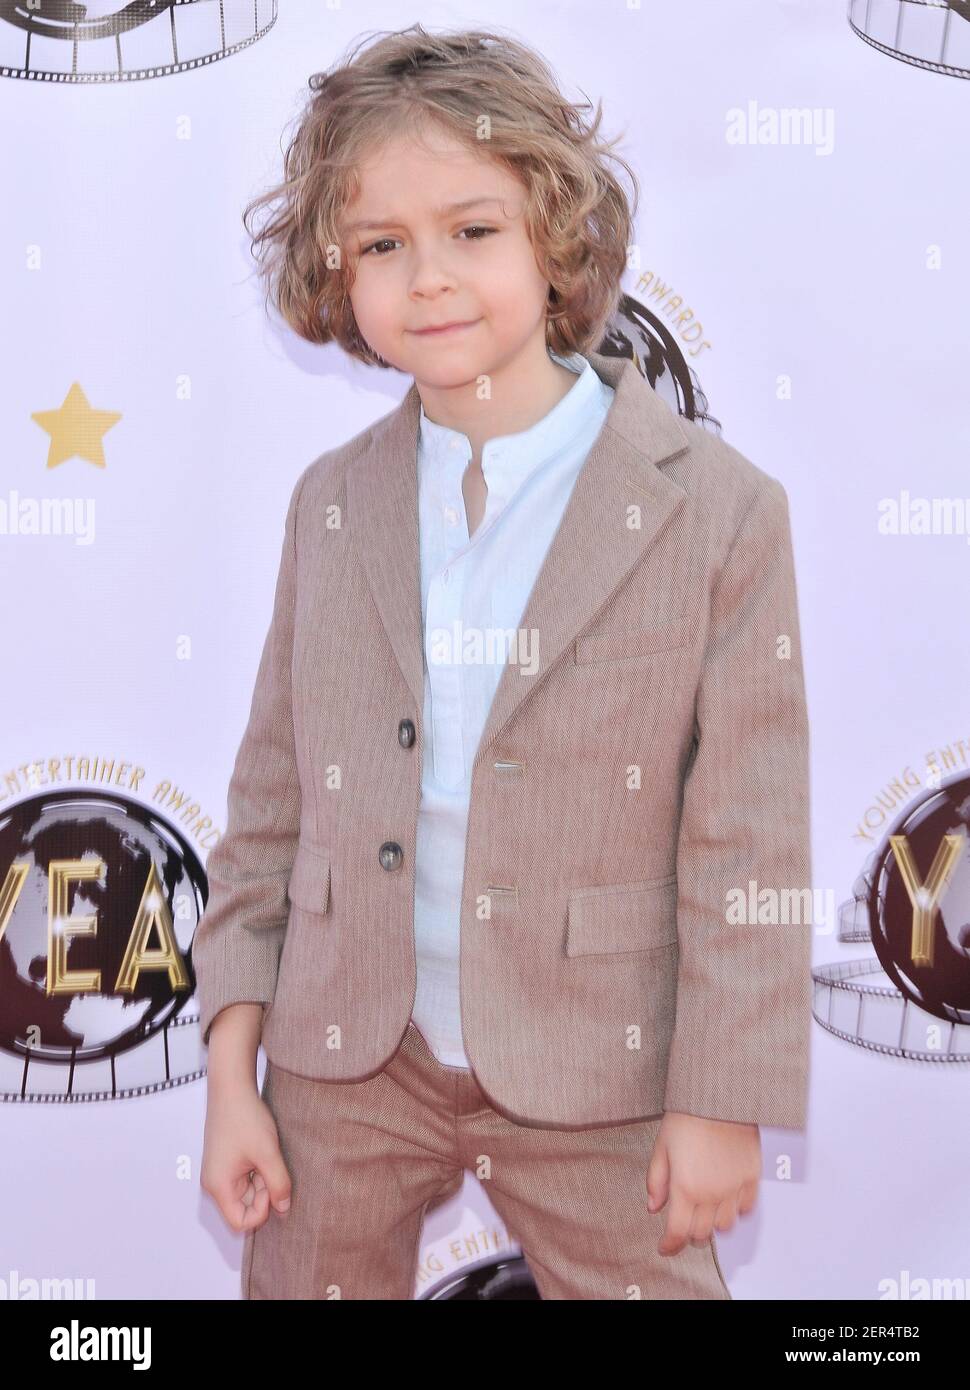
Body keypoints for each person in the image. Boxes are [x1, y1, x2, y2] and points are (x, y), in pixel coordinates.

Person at [195, 24, 812, 1301]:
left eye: (471, 230)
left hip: (601, 1070)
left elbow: (749, 840)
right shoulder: (330, 504)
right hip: (345, 1061)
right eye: (381, 245)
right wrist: (229, 1080)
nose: (427, 278)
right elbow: (269, 813)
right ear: (335, 274)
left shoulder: (718, 509)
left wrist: (721, 1100)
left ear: (553, 232)